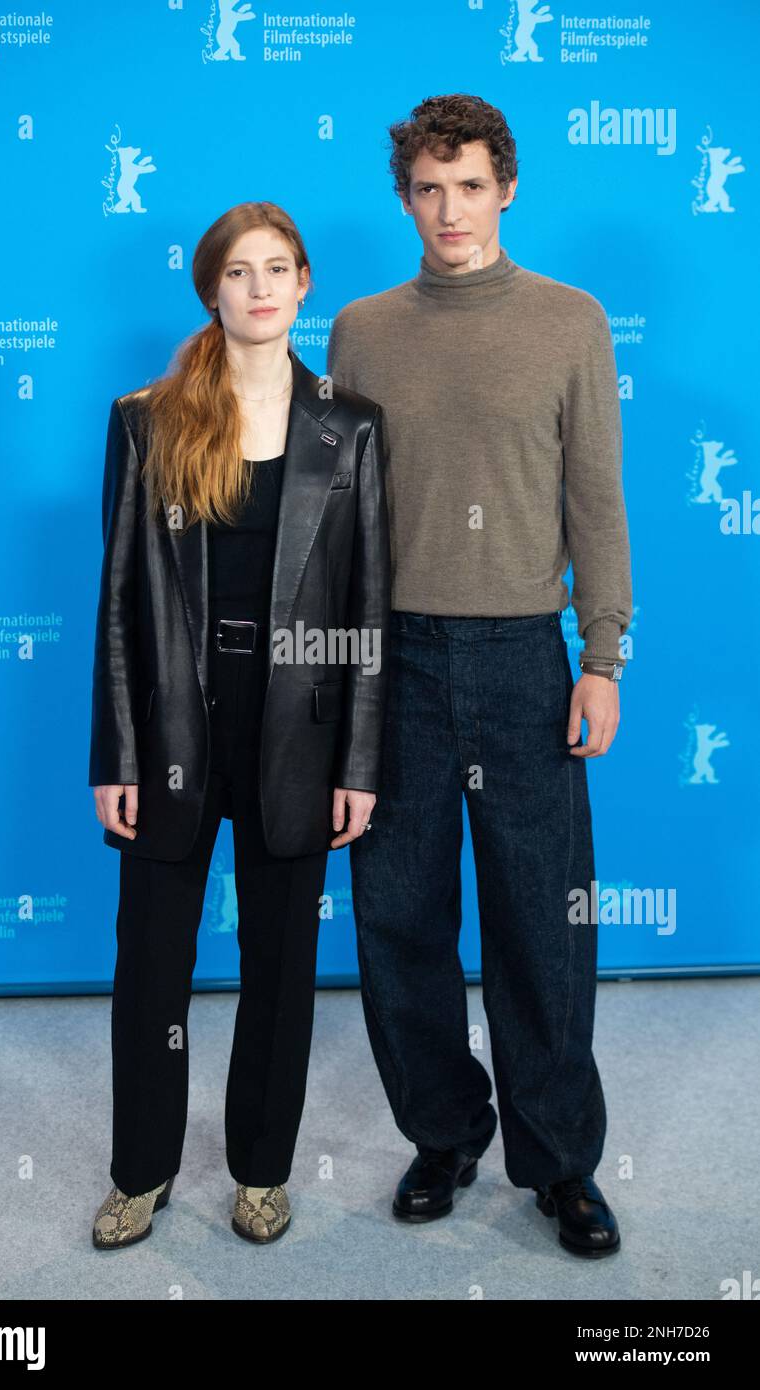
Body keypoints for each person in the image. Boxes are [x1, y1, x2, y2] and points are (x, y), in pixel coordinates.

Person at [327, 93, 632, 1259]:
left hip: (519, 656)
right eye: (426, 188)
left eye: (469, 185)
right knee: (396, 913)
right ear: (403, 198)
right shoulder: (358, 328)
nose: (448, 210)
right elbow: (342, 518)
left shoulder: (569, 321)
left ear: (506, 188)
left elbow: (594, 503)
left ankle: (557, 1161)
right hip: (393, 658)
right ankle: (442, 1133)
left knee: (538, 925)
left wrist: (597, 656)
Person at [88, 201, 390, 1248]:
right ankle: (141, 1169)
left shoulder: (350, 425)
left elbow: (364, 607)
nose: (258, 288)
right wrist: (117, 752)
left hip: (296, 737)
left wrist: (356, 759)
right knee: (151, 965)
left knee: (280, 968)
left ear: (304, 283)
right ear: (210, 290)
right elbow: (118, 599)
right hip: (173, 731)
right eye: (237, 271)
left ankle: (261, 1170)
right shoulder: (145, 418)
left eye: (278, 269)